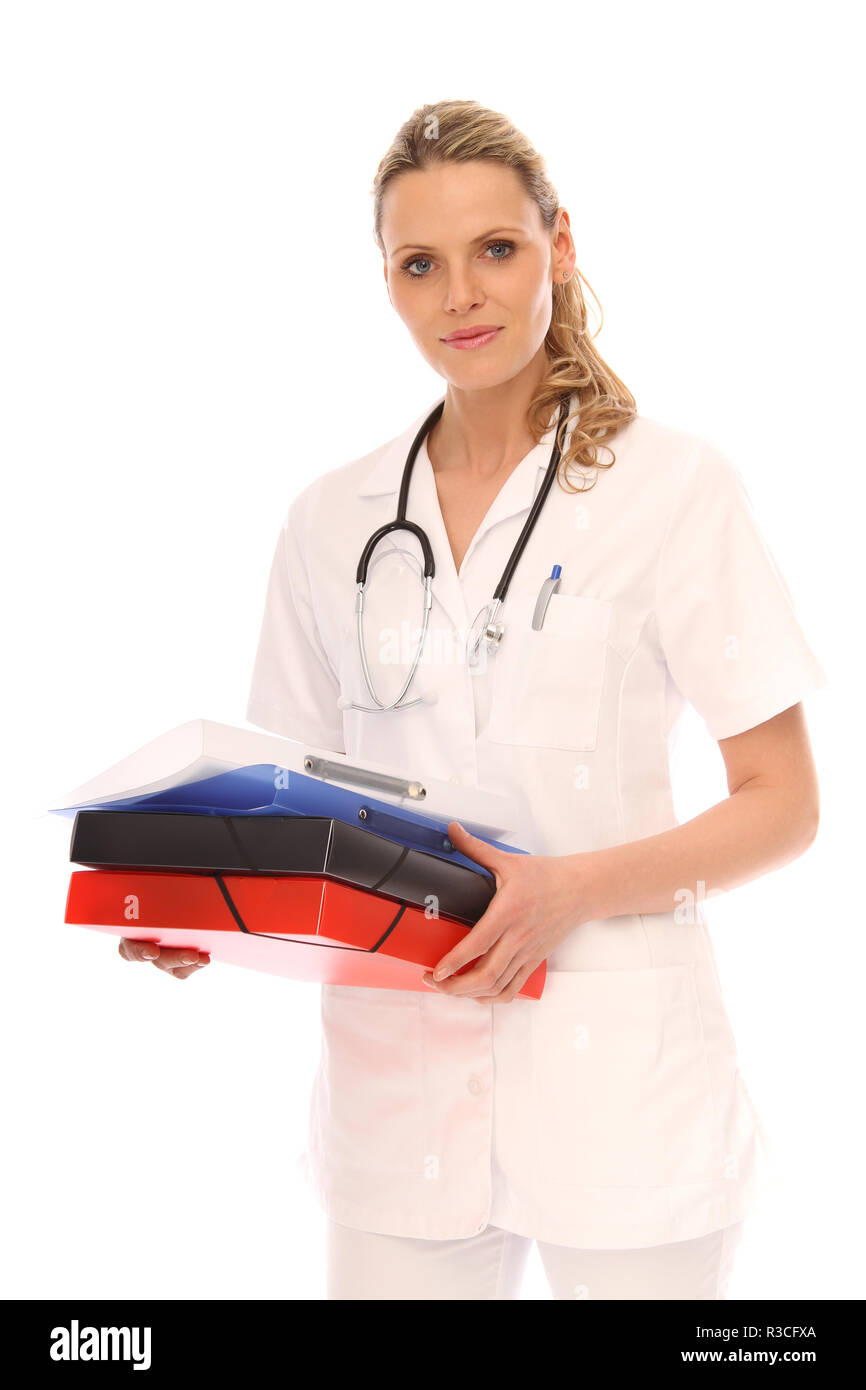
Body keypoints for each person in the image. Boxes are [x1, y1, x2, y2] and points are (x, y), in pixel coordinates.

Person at [120, 99, 828, 1300]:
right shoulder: (329, 520)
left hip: (620, 1093)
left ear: (559, 244)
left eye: (495, 249)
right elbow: (292, 810)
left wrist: (568, 891)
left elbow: (782, 803)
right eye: (420, 264)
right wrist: (210, 913)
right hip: (396, 1096)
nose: (460, 295)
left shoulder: (673, 489)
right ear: (386, 284)